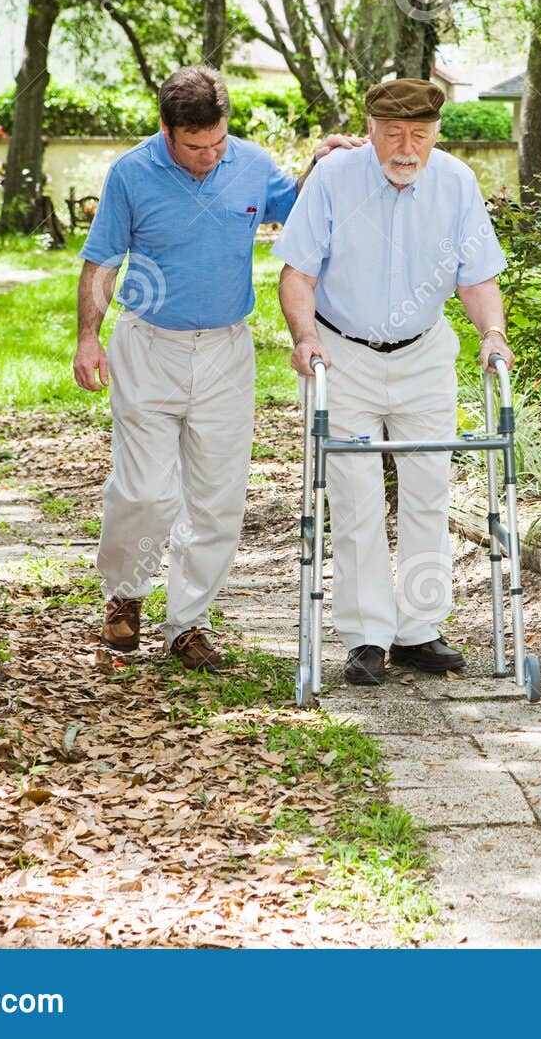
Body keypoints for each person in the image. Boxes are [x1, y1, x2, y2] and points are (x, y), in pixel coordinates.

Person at [74, 65, 351, 671]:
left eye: (218, 142)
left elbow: (298, 205)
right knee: (146, 491)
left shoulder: (249, 163)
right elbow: (101, 263)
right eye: (195, 146)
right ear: (166, 131)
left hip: (227, 349)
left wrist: (323, 162)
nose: (209, 155)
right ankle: (124, 593)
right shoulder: (131, 173)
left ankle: (189, 623)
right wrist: (88, 339)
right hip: (149, 346)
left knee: (218, 499)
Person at [274, 78, 513, 686]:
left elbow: (477, 277)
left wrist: (492, 332)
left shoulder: (456, 182)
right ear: (371, 130)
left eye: (421, 135)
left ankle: (418, 628)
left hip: (424, 355)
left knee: (429, 486)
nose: (407, 148)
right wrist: (306, 338)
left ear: (436, 133)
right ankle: (366, 635)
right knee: (354, 495)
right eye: (395, 134)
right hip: (343, 353)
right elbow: (296, 274)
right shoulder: (333, 179)